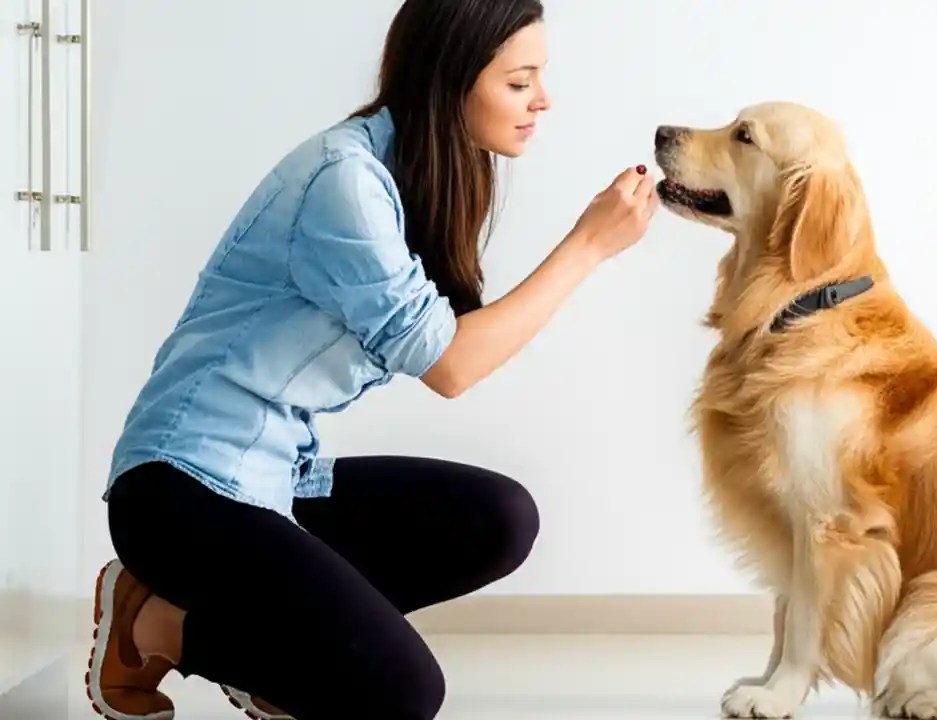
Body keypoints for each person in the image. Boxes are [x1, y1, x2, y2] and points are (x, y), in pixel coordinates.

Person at [86, 1, 657, 718]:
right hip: (181, 489)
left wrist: (590, 247)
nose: (543, 99)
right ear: (449, 79)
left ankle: (273, 657)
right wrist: (588, 247)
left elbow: (451, 343)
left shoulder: (418, 175)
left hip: (275, 480)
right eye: (520, 82)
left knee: (500, 518)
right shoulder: (344, 181)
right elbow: (452, 365)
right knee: (403, 693)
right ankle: (157, 627)